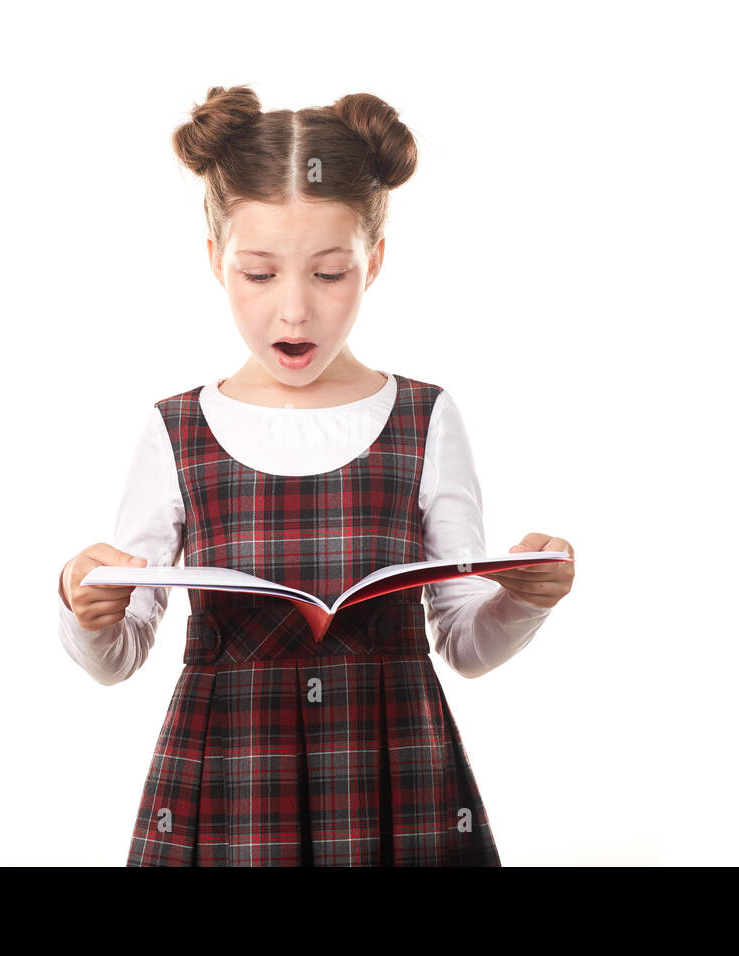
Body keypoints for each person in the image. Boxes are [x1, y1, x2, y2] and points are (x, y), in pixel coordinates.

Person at [56, 85, 575, 866]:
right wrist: (87, 608)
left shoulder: (425, 417)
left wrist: (521, 599)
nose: (293, 313)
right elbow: (120, 654)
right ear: (214, 261)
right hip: (233, 785)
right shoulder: (176, 428)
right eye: (259, 275)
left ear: (374, 260)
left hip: (395, 776)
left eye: (330, 274)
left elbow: (464, 644)